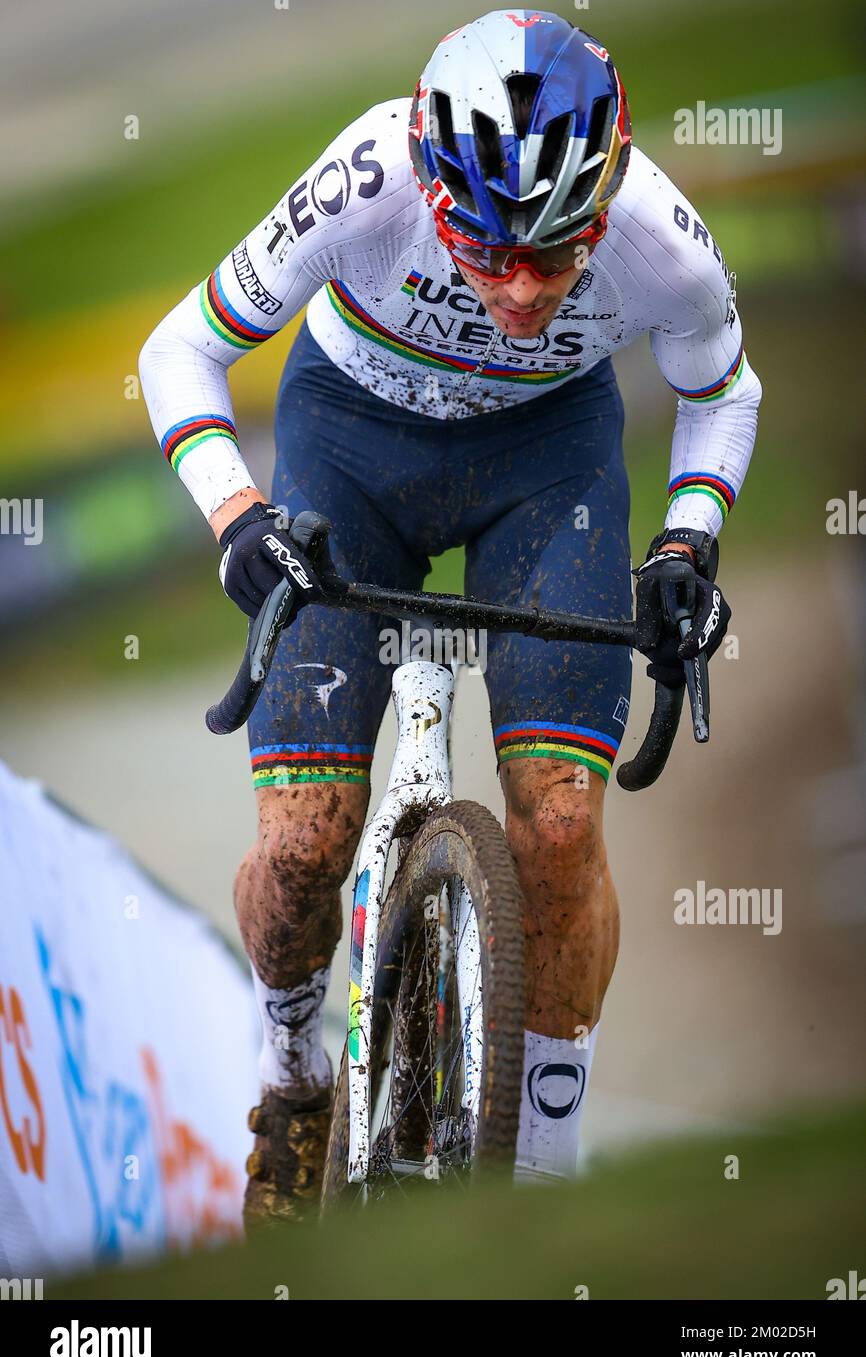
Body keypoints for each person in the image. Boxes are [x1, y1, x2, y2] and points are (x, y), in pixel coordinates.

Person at [139, 10, 758, 1223]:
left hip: (547, 463)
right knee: (306, 838)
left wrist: (686, 538)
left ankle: (541, 1173)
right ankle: (289, 1062)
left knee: (563, 828)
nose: (521, 288)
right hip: (350, 448)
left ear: (608, 194)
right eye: (487, 251)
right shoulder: (365, 180)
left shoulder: (661, 244)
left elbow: (719, 392)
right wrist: (236, 516)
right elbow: (180, 351)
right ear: (429, 189)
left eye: (555, 253)